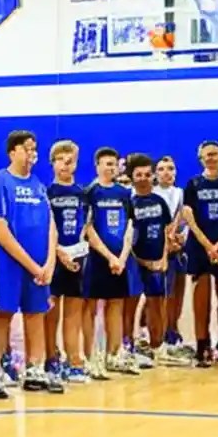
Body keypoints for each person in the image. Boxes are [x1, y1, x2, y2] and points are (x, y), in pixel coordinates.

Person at [0, 130, 59, 394]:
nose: (31, 153)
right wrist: (32, 265)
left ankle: (35, 368)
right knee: (2, 314)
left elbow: (51, 224)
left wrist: (49, 262)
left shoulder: (39, 185)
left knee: (36, 313)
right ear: (12, 152)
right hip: (10, 264)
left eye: (34, 148)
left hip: (40, 265)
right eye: (26, 148)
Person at [182, 141, 218, 366]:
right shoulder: (193, 184)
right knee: (201, 296)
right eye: (207, 155)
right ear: (200, 158)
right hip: (200, 245)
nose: (211, 158)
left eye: (215, 154)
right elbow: (189, 217)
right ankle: (202, 344)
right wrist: (208, 246)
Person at [83, 147, 139, 376]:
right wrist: (109, 256)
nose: (110, 168)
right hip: (97, 258)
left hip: (120, 259)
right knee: (91, 306)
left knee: (116, 304)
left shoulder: (124, 194)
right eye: (106, 164)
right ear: (97, 166)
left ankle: (113, 354)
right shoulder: (91, 192)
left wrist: (123, 257)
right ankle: (89, 355)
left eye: (114, 164)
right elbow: (88, 228)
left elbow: (129, 226)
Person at [127, 153, 187, 367]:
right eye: (138, 175)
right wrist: (143, 262)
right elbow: (127, 237)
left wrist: (162, 259)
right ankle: (128, 347)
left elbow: (164, 232)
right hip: (136, 262)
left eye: (147, 174)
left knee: (157, 303)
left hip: (157, 262)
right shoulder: (129, 203)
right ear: (132, 177)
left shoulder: (160, 202)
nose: (143, 178)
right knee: (131, 304)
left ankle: (157, 347)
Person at [47, 140, 91, 383]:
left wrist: (78, 252)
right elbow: (44, 229)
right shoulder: (47, 193)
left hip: (76, 257)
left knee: (73, 311)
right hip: (54, 257)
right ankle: (51, 357)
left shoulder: (82, 194)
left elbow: (86, 227)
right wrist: (58, 251)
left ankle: (74, 359)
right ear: (53, 163)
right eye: (60, 159)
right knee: (50, 310)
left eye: (70, 159)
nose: (66, 163)